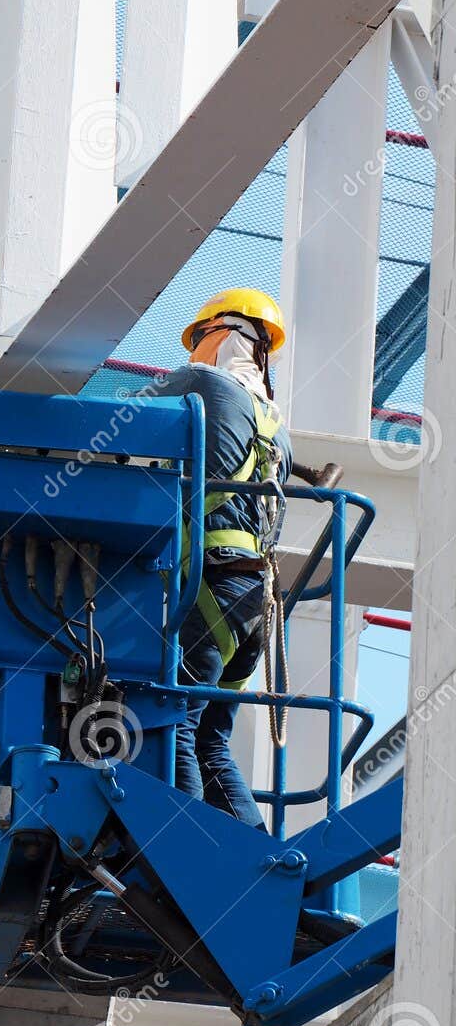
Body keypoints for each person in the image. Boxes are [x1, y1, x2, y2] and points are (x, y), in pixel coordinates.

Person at [152, 288, 293, 830]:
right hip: (254, 603)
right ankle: (253, 857)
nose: (193, 351)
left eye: (199, 338)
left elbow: (122, 412)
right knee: (211, 738)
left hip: (211, 587)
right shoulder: (278, 428)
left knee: (178, 727)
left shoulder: (203, 384)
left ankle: (190, 856)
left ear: (220, 334)